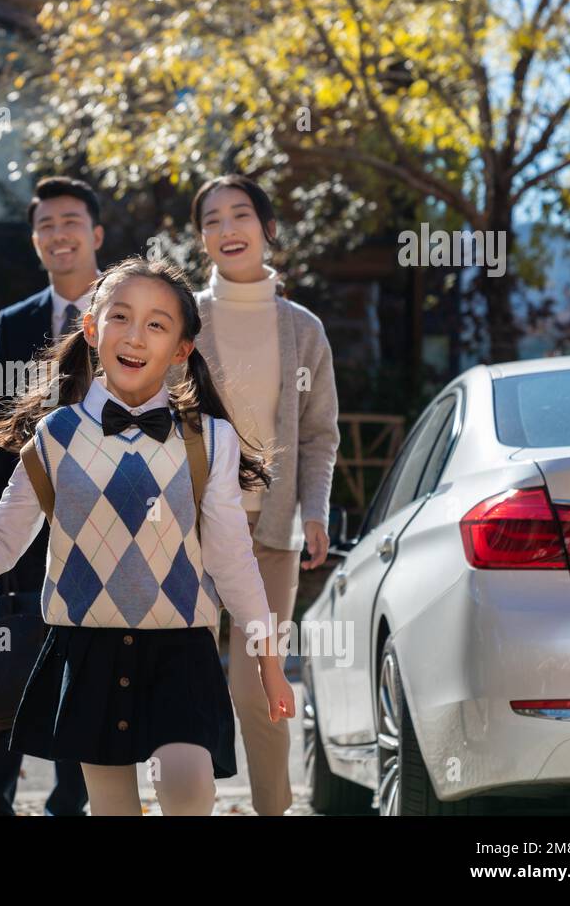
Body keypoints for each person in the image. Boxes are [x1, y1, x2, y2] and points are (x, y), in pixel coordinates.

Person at [0, 257, 296, 816]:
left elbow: (233, 560)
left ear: (182, 348)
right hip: (88, 648)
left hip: (182, 650)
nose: (135, 335)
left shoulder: (210, 440)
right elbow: (0, 539)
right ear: (92, 328)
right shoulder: (54, 436)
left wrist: (268, 660)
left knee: (187, 785)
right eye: (120, 317)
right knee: (111, 806)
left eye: (157, 324)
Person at [189, 174, 340, 815]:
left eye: (241, 215)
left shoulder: (303, 330)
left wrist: (315, 511)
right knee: (186, 682)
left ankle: (272, 809)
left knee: (258, 688)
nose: (227, 230)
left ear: (268, 228)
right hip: (188, 529)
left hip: (272, 535)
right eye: (212, 220)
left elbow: (319, 434)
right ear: (202, 238)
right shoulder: (184, 318)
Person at [0, 175, 102, 816]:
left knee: (85, 667)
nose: (58, 234)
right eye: (46, 225)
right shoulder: (15, 322)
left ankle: (70, 803)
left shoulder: (127, 312)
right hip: (25, 524)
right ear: (35, 240)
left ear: (96, 233)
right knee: (4, 658)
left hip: (105, 524)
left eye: (70, 221)